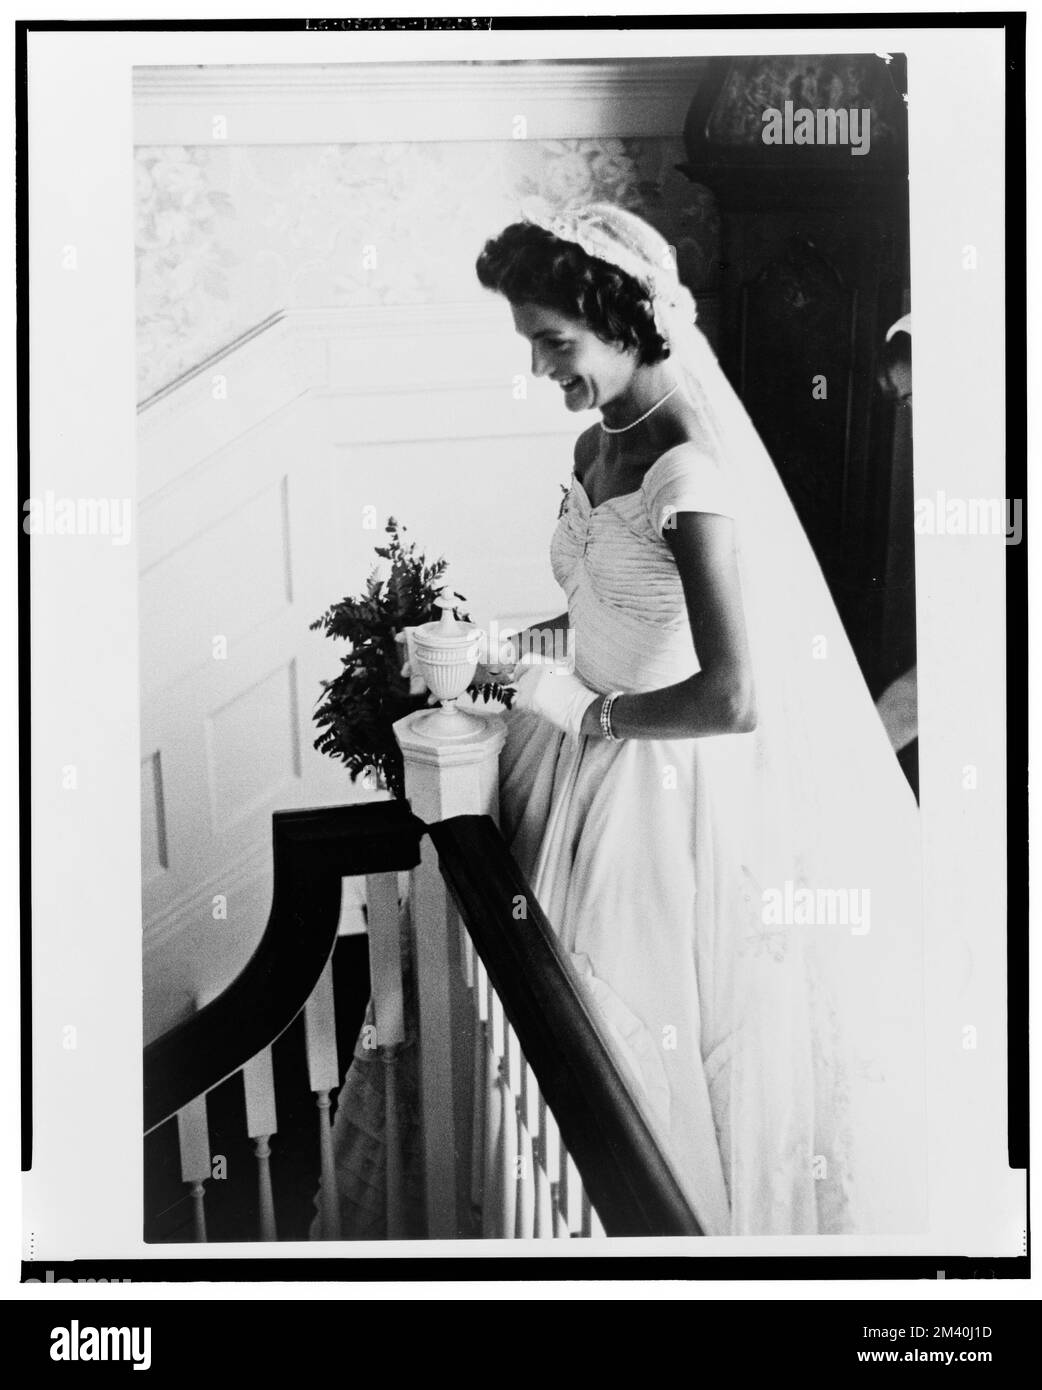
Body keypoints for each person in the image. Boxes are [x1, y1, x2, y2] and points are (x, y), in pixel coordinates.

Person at [467, 202, 927, 1236]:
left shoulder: (687, 465)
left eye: (554, 345)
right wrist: (497, 647)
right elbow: (605, 604)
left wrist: (588, 714)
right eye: (530, 347)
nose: (543, 370)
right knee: (536, 1033)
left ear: (623, 316)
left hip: (659, 789)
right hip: (575, 759)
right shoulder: (597, 443)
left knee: (621, 1048)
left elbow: (734, 694)